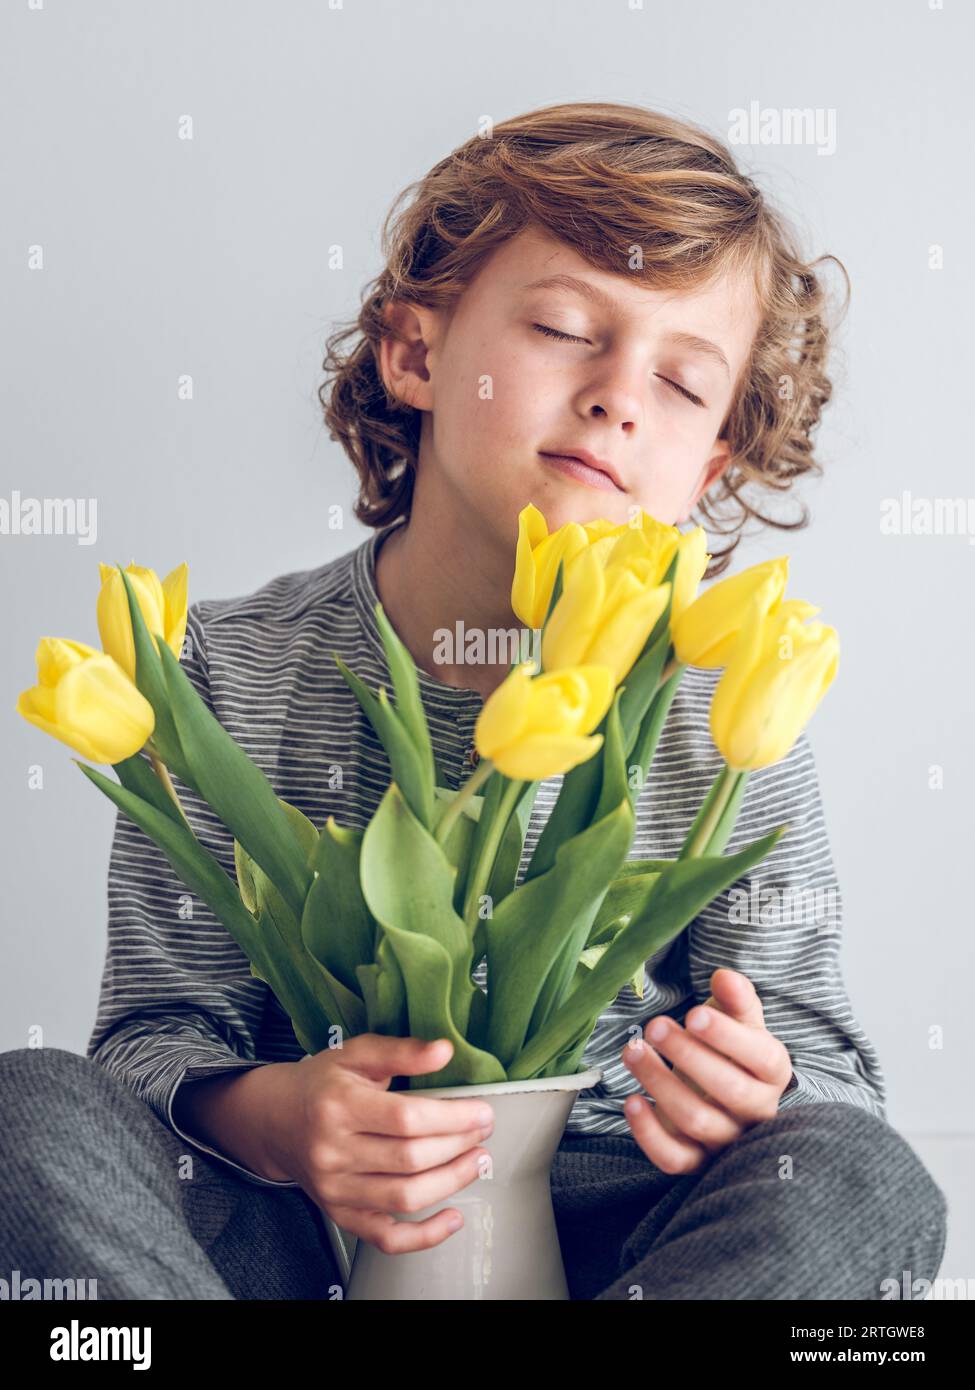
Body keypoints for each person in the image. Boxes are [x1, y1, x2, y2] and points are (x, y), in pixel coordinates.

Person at [0, 101, 947, 1300]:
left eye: (681, 382)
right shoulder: (222, 670)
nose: (618, 396)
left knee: (867, 1179)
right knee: (24, 1107)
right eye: (563, 327)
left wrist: (755, 1090)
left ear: (705, 471)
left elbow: (834, 1073)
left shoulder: (720, 694)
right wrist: (282, 1119)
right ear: (416, 354)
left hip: (620, 1229)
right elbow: (144, 1047)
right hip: (306, 1228)